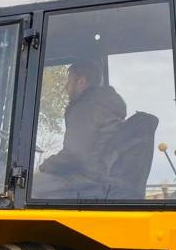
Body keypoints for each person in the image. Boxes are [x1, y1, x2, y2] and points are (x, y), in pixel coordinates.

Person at [35, 61, 127, 194]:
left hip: (87, 180)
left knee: (29, 188)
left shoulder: (86, 108)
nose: (65, 87)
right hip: (101, 177)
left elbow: (73, 155)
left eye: (69, 82)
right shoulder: (106, 106)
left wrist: (45, 166)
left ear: (81, 82)